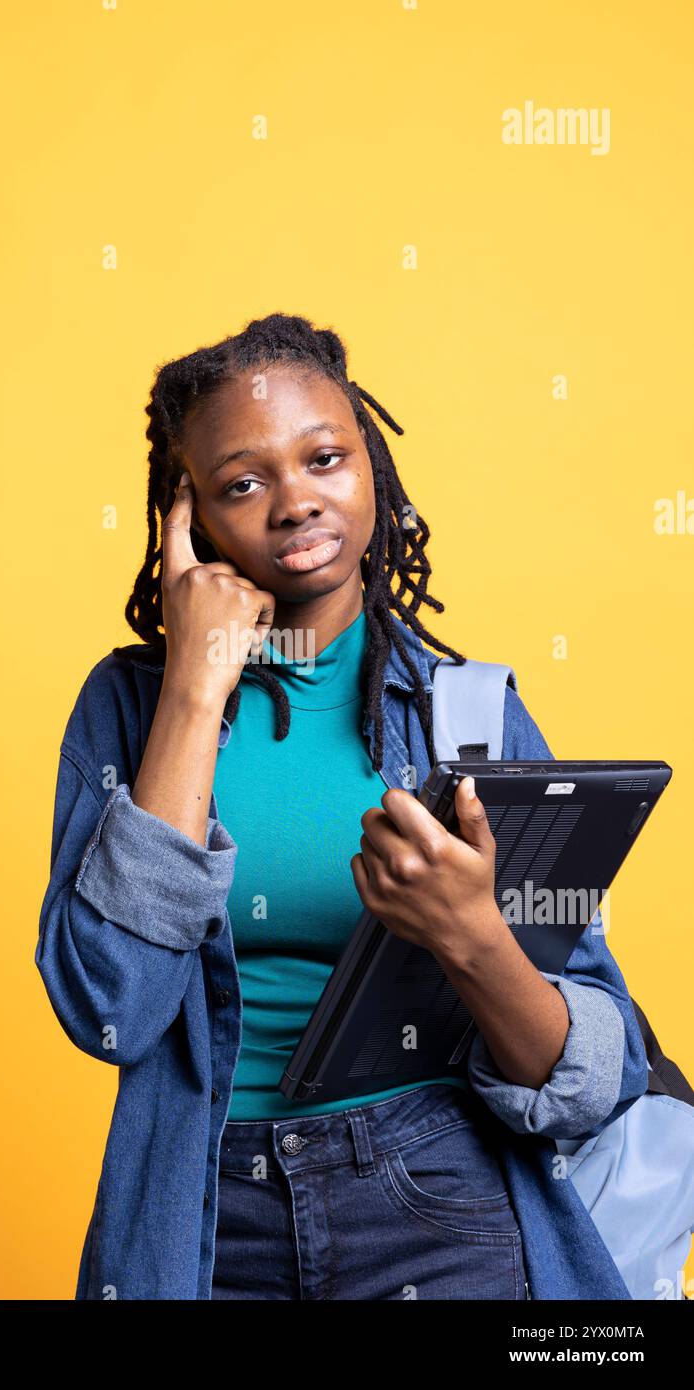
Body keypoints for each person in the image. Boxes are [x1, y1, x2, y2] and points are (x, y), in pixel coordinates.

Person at [36, 312, 648, 1300]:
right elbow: (111, 1007)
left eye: (324, 457)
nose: (293, 502)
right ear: (183, 515)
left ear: (372, 468)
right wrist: (194, 686)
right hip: (200, 1215)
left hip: (440, 1199)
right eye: (242, 482)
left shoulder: (468, 717)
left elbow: (590, 1076)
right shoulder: (128, 707)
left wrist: (473, 936)